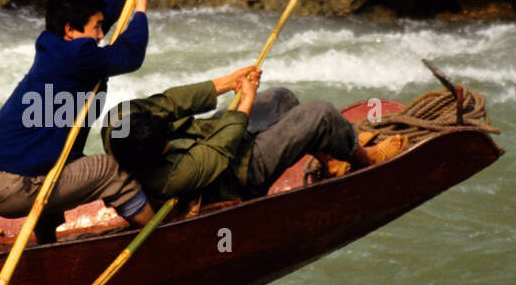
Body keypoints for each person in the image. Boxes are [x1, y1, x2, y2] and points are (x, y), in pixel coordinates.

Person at [0, 0, 167, 243]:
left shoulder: (54, 43)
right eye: (97, 30)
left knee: (65, 160)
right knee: (106, 168)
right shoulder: (80, 55)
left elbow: (104, 7)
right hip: (11, 186)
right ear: (70, 30)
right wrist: (141, 8)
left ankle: (46, 244)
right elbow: (131, 56)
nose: (102, 34)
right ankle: (161, 236)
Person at [101, 66, 405, 205]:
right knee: (321, 114)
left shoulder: (118, 120)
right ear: (159, 156)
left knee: (282, 99)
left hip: (208, 134)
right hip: (238, 172)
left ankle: (331, 158)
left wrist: (231, 81)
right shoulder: (171, 177)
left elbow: (171, 102)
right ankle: (361, 156)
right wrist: (246, 98)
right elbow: (225, 144)